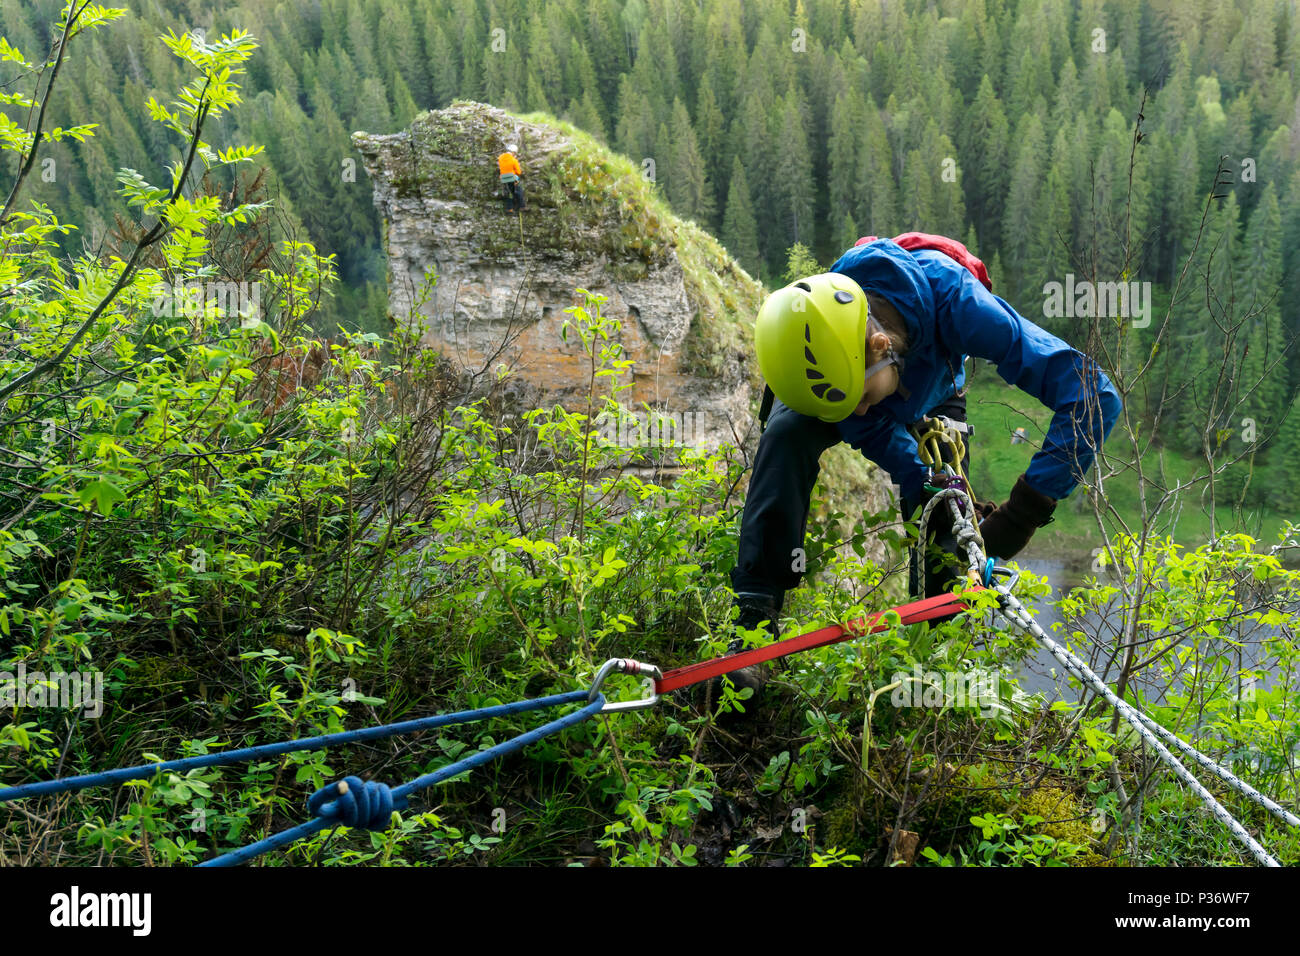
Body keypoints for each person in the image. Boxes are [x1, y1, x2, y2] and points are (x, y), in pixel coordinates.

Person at [716, 235, 1123, 699]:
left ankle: (939, 669)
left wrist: (1024, 510)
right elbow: (867, 425)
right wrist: (919, 472)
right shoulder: (824, 324)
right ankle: (754, 620)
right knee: (786, 436)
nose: (861, 416)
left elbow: (1092, 395)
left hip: (935, 387)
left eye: (862, 399)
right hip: (853, 379)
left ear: (880, 344)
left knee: (945, 526)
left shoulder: (962, 306)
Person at [498, 142, 524, 213]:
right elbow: (519, 172)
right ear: (513, 152)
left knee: (509, 193)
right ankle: (522, 207)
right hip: (512, 178)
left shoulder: (500, 157)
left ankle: (509, 208)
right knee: (519, 190)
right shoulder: (513, 160)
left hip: (503, 178)